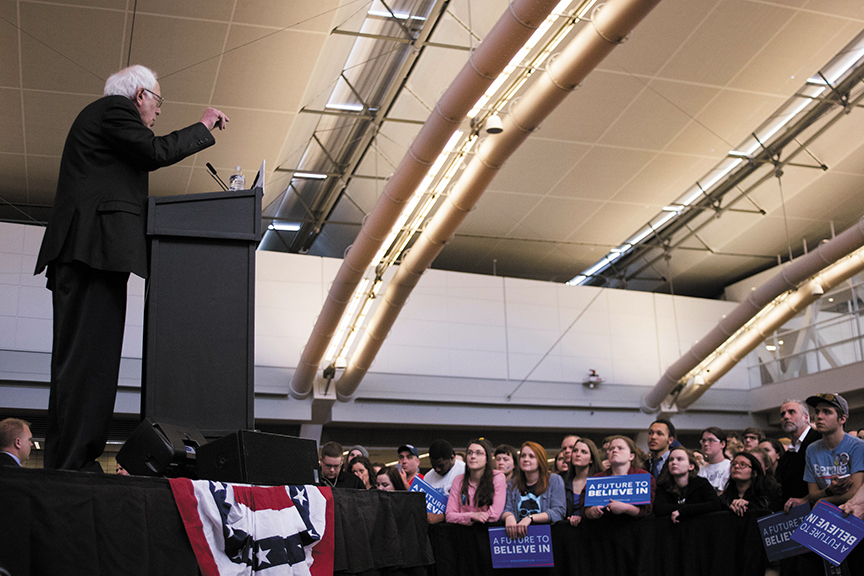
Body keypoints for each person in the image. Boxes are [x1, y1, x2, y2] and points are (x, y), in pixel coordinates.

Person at [35, 65, 229, 473]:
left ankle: (70, 461)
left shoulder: (105, 117)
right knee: (88, 365)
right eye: (158, 102)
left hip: (93, 256)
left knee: (85, 364)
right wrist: (203, 126)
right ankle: (73, 464)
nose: (157, 112)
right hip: (92, 255)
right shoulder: (114, 110)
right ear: (140, 95)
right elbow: (154, 152)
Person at [785, 393, 864, 512]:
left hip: (852, 512)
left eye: (827, 412)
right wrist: (829, 490)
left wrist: (823, 500)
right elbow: (812, 494)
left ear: (842, 419)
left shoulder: (857, 446)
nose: (819, 417)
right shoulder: (812, 449)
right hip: (825, 514)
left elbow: (854, 492)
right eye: (817, 412)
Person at [501, 442, 565, 539]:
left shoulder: (554, 480)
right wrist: (508, 516)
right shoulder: (513, 483)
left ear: (540, 460)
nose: (526, 459)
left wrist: (530, 518)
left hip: (546, 538)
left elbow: (558, 512)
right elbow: (507, 508)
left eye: (531, 456)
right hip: (519, 539)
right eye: (523, 456)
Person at [583, 436, 655, 521]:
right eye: (611, 448)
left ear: (631, 456)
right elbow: (584, 509)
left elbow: (647, 511)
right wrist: (591, 511)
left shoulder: (644, 477)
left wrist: (626, 508)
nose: (614, 451)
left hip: (634, 529)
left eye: (620, 448)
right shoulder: (597, 478)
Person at [446, 439, 506, 525]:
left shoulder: (497, 478)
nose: (473, 456)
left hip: (486, 531)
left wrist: (464, 517)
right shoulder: (458, 480)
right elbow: (449, 516)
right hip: (462, 532)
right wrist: (471, 516)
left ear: (487, 459)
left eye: (479, 453)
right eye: (470, 452)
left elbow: (494, 515)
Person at [654, 447, 723, 523]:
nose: (674, 462)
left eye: (680, 459)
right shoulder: (664, 486)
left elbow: (715, 504)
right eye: (671, 459)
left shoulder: (701, 483)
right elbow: (659, 508)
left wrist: (683, 511)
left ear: (691, 466)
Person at [776, 399, 821, 504]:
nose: (786, 417)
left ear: (806, 417)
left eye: (792, 412)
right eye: (782, 414)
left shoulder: (820, 440)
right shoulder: (786, 457)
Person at [722, 451, 783, 516]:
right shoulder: (724, 498)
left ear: (754, 473)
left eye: (742, 464)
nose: (736, 466)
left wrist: (749, 506)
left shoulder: (768, 493)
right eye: (734, 464)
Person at [424, 439, 466, 524]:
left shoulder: (464, 471)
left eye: (441, 465)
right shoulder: (428, 477)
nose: (437, 469)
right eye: (434, 465)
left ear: (452, 458)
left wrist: (441, 517)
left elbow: (467, 507)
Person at [564, 438, 602, 526]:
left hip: (593, 529)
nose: (577, 454)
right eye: (575, 451)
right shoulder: (564, 482)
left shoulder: (599, 482)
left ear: (591, 459)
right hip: (568, 529)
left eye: (584, 452)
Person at [697, 427, 730, 494]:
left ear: (722, 444)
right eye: (703, 440)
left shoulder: (730, 466)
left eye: (711, 440)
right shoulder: (700, 470)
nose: (706, 444)